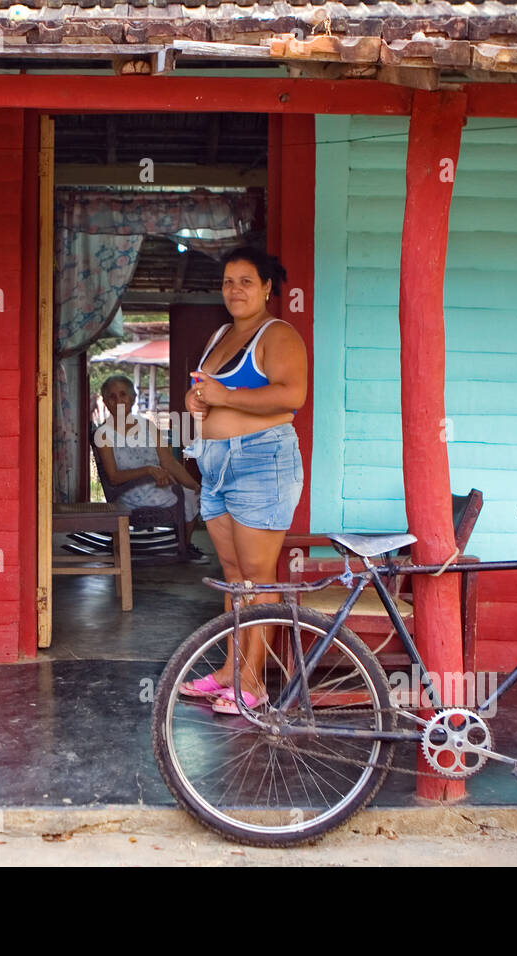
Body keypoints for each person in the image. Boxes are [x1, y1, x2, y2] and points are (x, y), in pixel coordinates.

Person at [181, 247, 308, 714]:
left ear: (268, 288)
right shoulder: (222, 334)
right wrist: (197, 401)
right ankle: (228, 672)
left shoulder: (277, 334)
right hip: (215, 464)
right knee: (234, 578)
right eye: (229, 281)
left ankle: (254, 684)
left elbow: (292, 395)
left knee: (257, 578)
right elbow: (209, 391)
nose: (235, 290)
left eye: (246, 281)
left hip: (259, 461)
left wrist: (224, 395)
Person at [93, 375, 205, 561]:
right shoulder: (104, 434)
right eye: (112, 397)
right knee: (183, 494)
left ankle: (184, 544)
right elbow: (113, 477)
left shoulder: (147, 426)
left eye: (123, 394)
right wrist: (148, 470)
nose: (118, 400)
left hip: (157, 486)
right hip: (127, 492)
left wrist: (195, 485)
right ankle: (184, 546)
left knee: (192, 493)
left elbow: (168, 462)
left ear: (132, 399)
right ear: (105, 402)